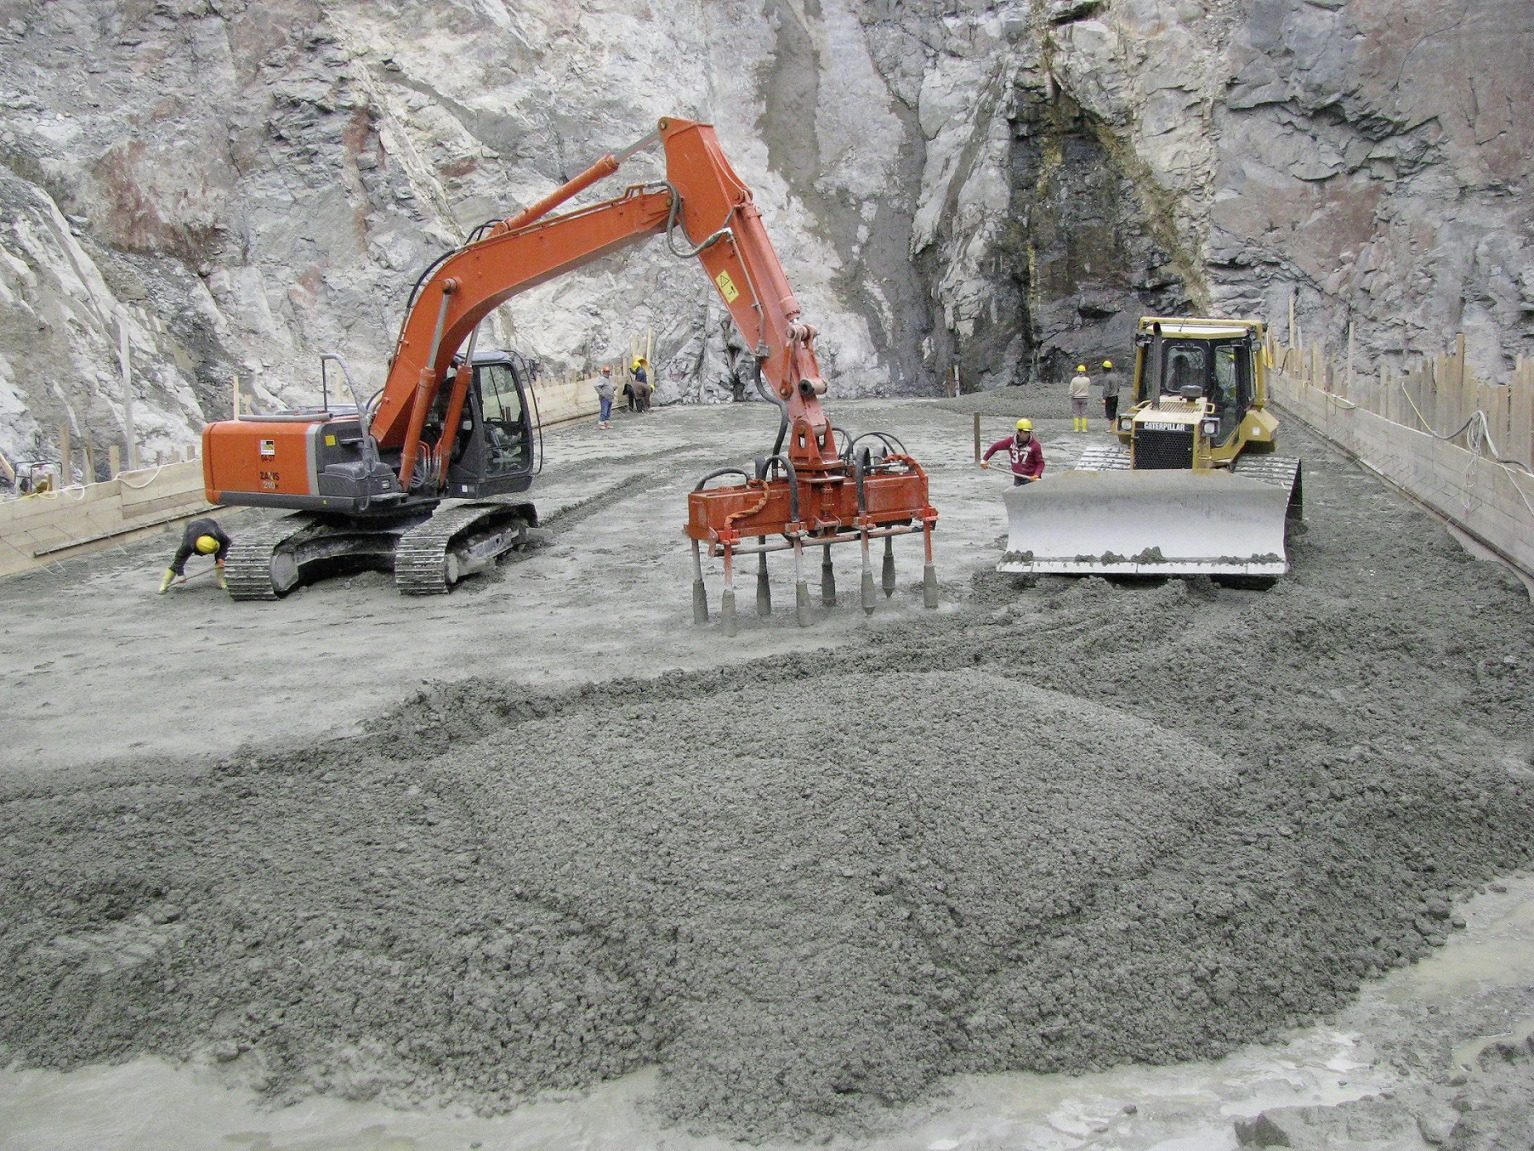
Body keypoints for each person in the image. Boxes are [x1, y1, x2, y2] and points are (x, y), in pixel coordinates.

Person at [159, 517, 230, 593]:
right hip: (192, 528)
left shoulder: (218, 534)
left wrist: (221, 558)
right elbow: (178, 560)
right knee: (178, 563)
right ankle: (164, 585)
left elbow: (227, 543)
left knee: (220, 560)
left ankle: (222, 581)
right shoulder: (188, 545)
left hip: (209, 523)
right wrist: (180, 574)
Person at [980, 418, 1045, 485]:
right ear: (1019, 432)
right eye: (1025, 432)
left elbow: (1040, 463)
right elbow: (995, 446)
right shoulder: (1010, 442)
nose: (1028, 434)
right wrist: (984, 460)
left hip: (1031, 479)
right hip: (1018, 478)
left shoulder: (1035, 445)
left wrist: (1036, 475)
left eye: (1029, 432)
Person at [1068, 364, 1091, 433]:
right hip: (1084, 398)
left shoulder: (1074, 380)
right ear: (1084, 372)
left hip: (1075, 398)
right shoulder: (1087, 380)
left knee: (1076, 413)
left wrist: (1071, 395)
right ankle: (1084, 429)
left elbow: (1071, 389)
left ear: (1078, 372)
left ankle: (1076, 428)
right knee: (1084, 413)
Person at [1098, 358, 1121, 427]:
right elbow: (1118, 387)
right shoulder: (1115, 376)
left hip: (1110, 397)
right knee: (1113, 412)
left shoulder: (1107, 378)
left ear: (1104, 368)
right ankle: (1113, 426)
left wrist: (1104, 398)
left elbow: (1106, 389)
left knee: (1109, 413)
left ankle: (1111, 427)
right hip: (1115, 396)